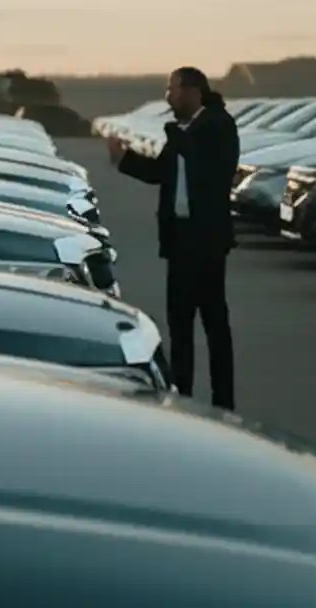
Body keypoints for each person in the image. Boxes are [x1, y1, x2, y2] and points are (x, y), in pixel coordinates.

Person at [108, 67, 239, 410]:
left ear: (193, 90)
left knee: (214, 322)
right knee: (179, 323)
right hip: (179, 237)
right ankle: (183, 398)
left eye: (173, 89)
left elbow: (204, 163)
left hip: (207, 239)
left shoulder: (217, 125)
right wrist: (125, 159)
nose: (168, 96)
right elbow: (160, 172)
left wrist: (175, 132)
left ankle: (224, 401)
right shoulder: (184, 132)